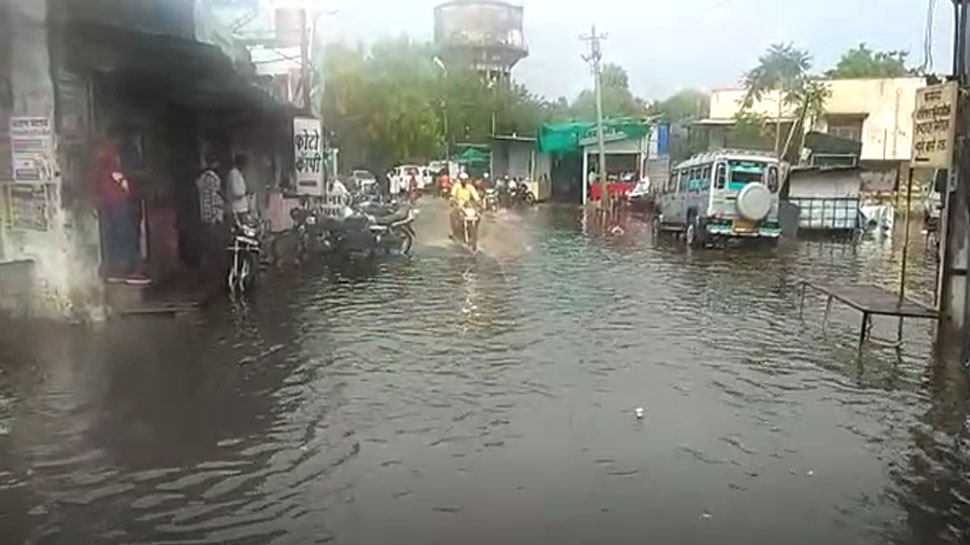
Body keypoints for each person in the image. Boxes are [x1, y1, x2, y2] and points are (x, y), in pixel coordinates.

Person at [95, 126, 149, 285]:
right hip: (117, 199)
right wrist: (127, 183)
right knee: (124, 232)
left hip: (113, 199)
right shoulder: (109, 154)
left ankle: (121, 269)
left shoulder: (106, 154)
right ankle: (125, 270)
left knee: (119, 233)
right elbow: (117, 176)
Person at [195, 153, 225, 290]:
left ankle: (206, 270)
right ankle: (213, 273)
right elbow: (214, 199)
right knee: (214, 245)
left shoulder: (201, 179)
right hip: (213, 216)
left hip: (204, 215)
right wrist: (217, 215)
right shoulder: (212, 179)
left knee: (207, 243)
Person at [449, 172, 480, 238]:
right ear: (460, 180)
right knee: (453, 215)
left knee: (477, 215)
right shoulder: (456, 186)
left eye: (465, 179)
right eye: (462, 179)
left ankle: (474, 229)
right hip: (458, 204)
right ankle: (452, 230)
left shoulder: (470, 187)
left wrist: (478, 201)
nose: (464, 181)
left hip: (468, 204)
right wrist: (452, 200)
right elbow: (453, 195)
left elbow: (475, 195)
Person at [226, 153, 251, 223]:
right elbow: (236, 192)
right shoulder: (233, 174)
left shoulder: (238, 173)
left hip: (241, 208)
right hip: (237, 209)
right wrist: (245, 192)